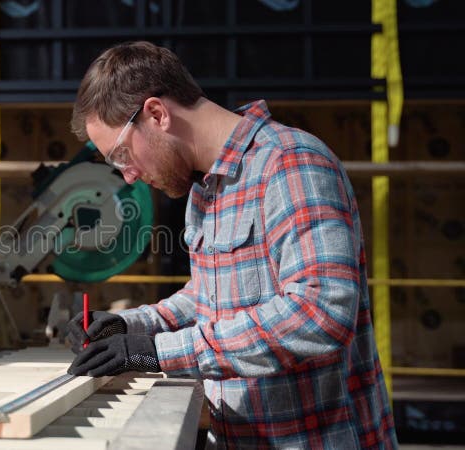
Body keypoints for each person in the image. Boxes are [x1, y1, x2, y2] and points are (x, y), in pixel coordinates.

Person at [65, 41, 397, 449]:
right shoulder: (205, 190)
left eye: (120, 154)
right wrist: (131, 326)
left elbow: (321, 311)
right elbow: (210, 296)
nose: (128, 175)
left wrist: (157, 351)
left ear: (156, 113)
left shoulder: (290, 163)